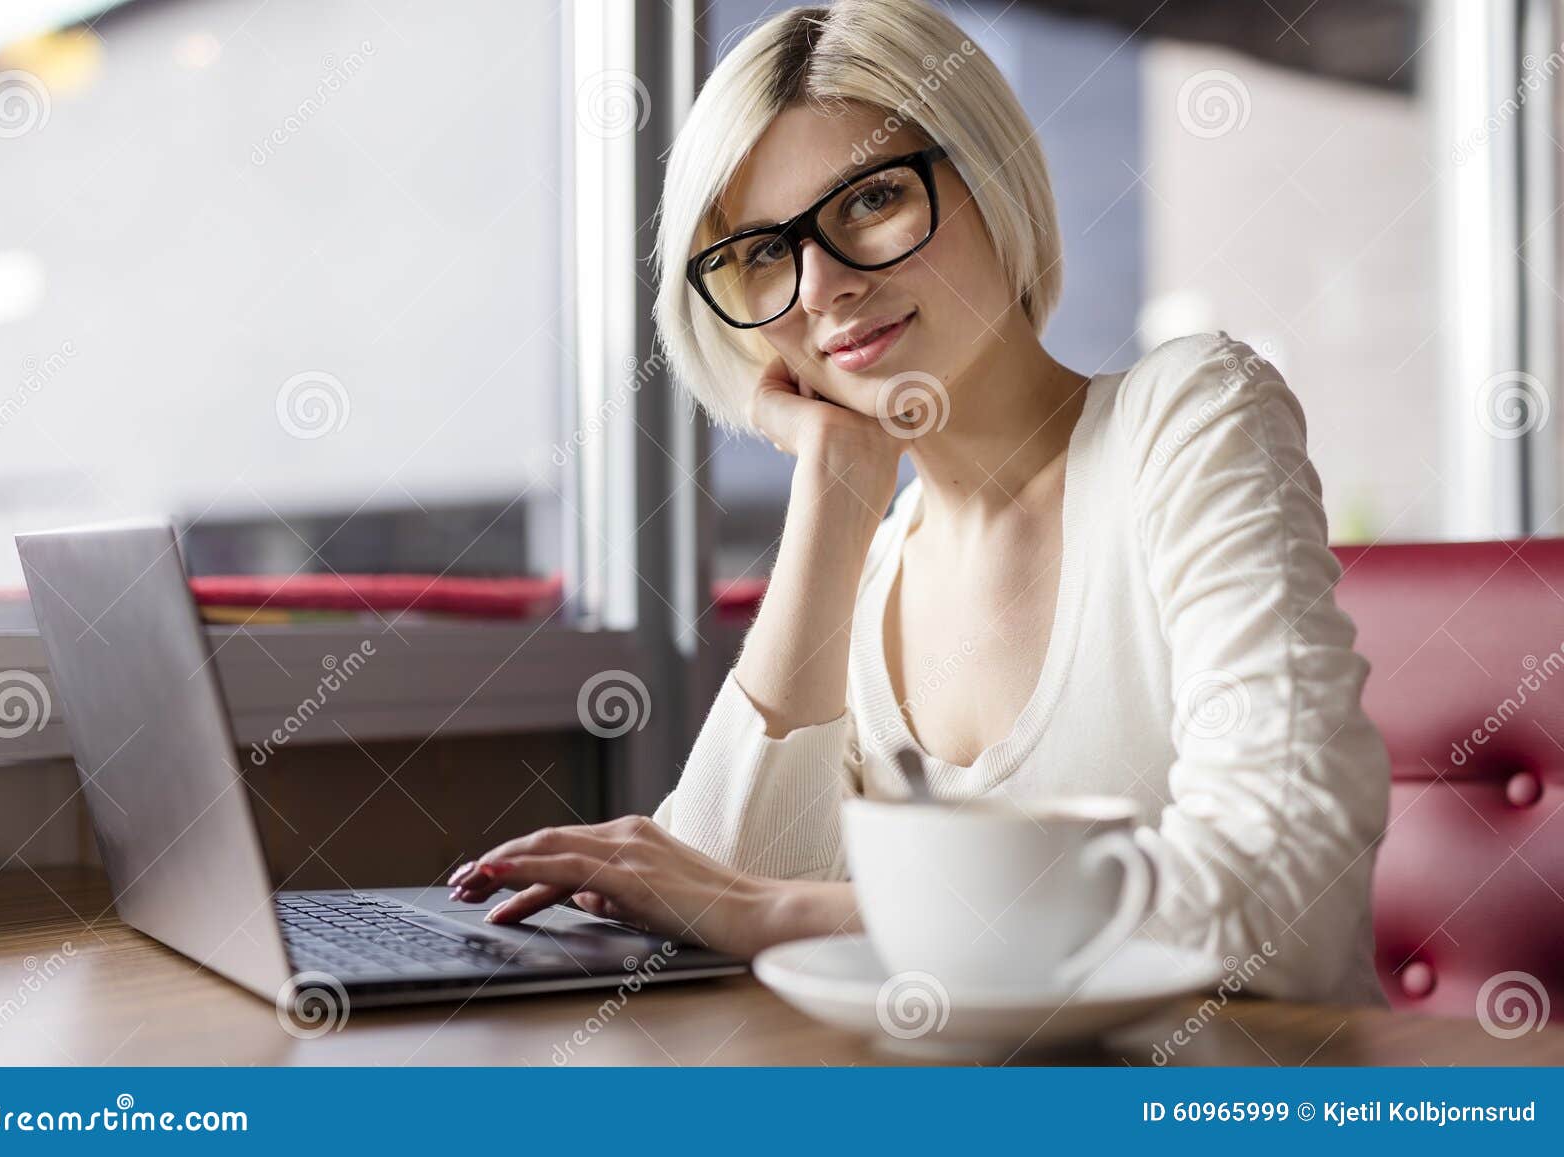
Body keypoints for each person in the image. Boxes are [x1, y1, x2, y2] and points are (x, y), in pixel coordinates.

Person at [449, 0, 1390, 1005]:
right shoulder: (871, 559)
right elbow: (711, 892)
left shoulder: (1188, 417)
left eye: (869, 200)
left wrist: (776, 912)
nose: (823, 287)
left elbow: (1285, 897)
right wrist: (837, 489)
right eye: (763, 251)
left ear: (989, 178)